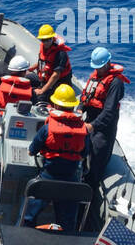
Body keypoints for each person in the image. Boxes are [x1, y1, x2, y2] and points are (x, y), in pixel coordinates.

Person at [22, 84, 91, 230]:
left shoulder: (47, 128)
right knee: (68, 221)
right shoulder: (83, 130)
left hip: (48, 179)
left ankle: (25, 233)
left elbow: (31, 151)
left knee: (28, 216)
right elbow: (84, 153)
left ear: (55, 105)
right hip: (71, 182)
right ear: (73, 107)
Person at [78, 46, 129, 192]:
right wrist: (81, 108)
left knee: (96, 159)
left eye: (100, 67)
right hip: (90, 120)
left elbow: (109, 112)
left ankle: (89, 192)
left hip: (104, 128)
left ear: (107, 63)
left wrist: (93, 126)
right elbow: (87, 96)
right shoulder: (96, 76)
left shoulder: (115, 83)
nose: (98, 70)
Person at [27, 23, 72, 103]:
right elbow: (42, 61)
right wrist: (30, 69)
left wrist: (42, 90)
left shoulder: (61, 53)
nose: (46, 42)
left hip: (57, 82)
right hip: (45, 78)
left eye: (48, 39)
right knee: (27, 78)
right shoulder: (44, 48)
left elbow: (56, 75)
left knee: (39, 98)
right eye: (43, 40)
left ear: (53, 38)